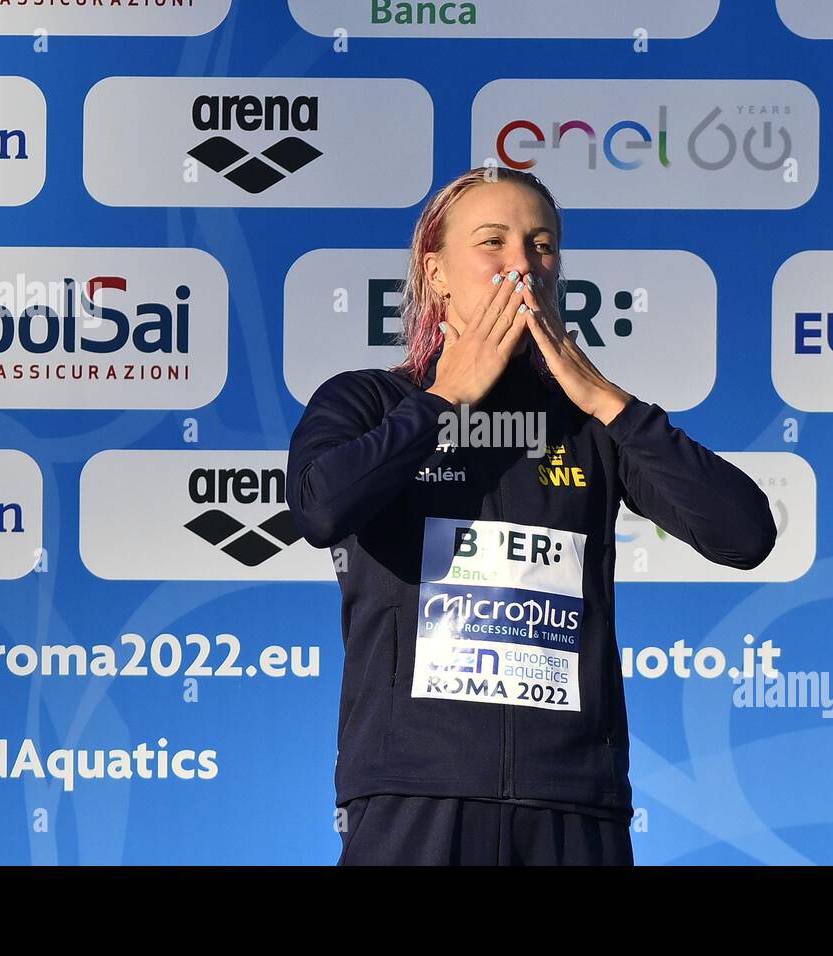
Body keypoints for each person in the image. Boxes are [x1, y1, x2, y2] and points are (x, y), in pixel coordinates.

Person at [287, 166, 778, 866]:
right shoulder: (368, 401)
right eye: (493, 241)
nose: (522, 264)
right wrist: (442, 399)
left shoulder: (591, 423)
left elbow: (744, 534)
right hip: (415, 798)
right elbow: (321, 508)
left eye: (542, 245)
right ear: (437, 272)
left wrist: (607, 400)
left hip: (572, 803)